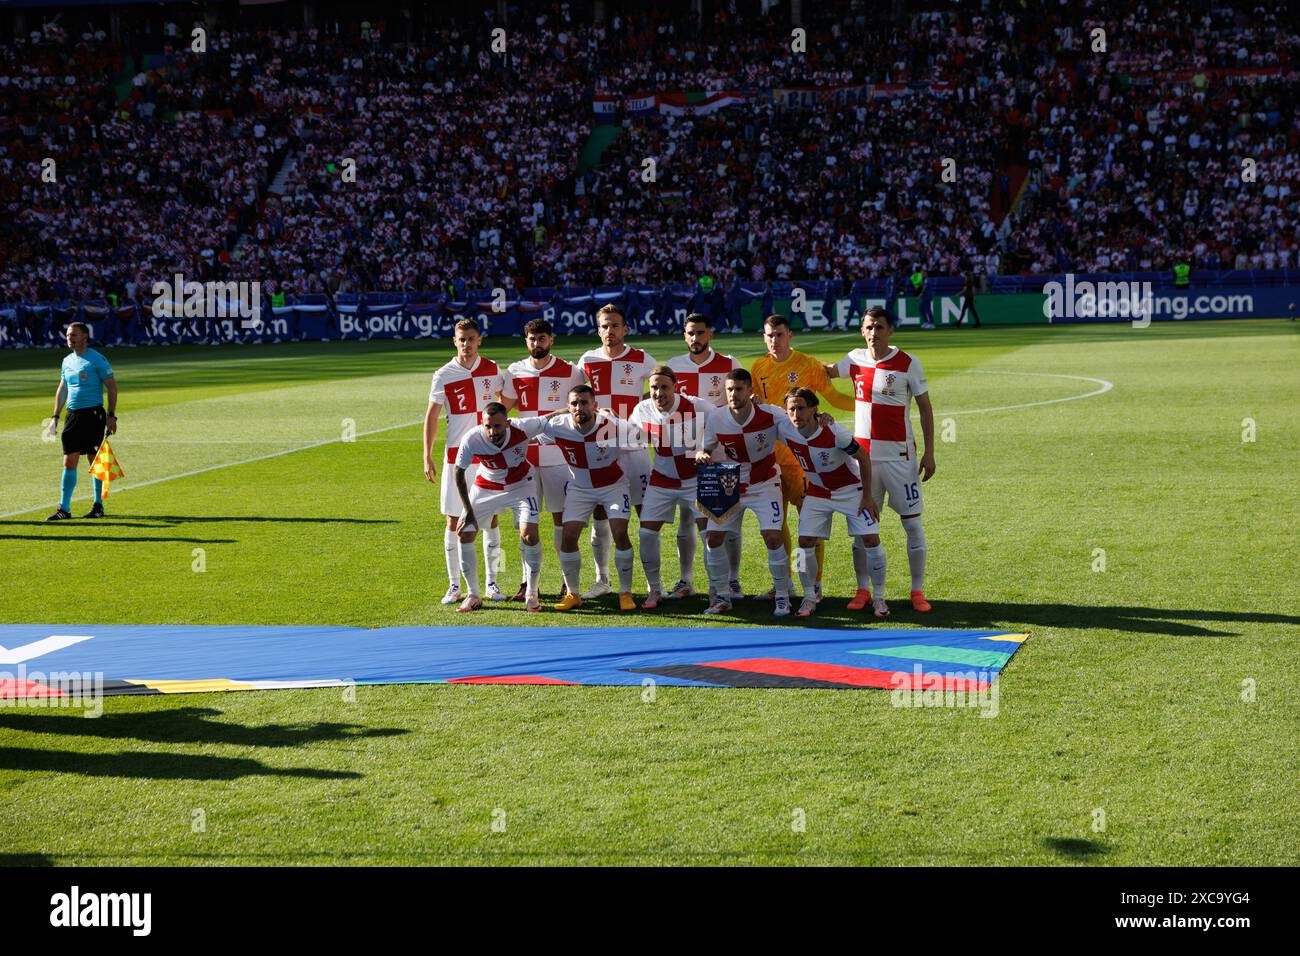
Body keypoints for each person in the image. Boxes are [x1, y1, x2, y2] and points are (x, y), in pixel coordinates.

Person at [825, 306, 936, 615]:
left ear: (890, 331)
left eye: (879, 327)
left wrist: (929, 452)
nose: (873, 333)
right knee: (863, 529)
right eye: (869, 327)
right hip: (864, 461)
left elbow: (926, 408)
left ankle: (917, 589)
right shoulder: (854, 359)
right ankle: (863, 589)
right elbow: (826, 371)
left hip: (901, 458)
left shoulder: (907, 363)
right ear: (863, 330)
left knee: (912, 526)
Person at [749, 314, 856, 601]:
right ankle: (784, 584)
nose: (775, 340)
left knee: (809, 524)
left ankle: (815, 585)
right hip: (771, 458)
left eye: (780, 334)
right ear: (764, 337)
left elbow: (832, 397)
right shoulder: (758, 367)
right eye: (770, 335)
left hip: (803, 460)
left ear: (790, 336)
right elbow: (757, 410)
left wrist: (868, 402)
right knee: (775, 523)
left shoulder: (808, 364)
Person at [694, 369, 794, 618]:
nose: (733, 394)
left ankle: (782, 597)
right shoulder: (717, 418)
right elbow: (707, 446)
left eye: (739, 389)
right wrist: (702, 454)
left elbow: (798, 431)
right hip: (729, 480)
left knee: (772, 537)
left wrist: (822, 419)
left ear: (750, 391)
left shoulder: (772, 415)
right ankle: (722, 597)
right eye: (729, 389)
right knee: (713, 539)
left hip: (764, 482)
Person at [499, 318, 586, 600]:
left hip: (559, 456)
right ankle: (528, 583)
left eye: (542, 339)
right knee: (526, 524)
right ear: (526, 341)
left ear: (551, 340)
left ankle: (566, 581)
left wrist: (547, 423)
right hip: (524, 459)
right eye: (532, 339)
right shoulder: (514, 371)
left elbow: (577, 408)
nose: (537, 344)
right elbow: (504, 409)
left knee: (561, 520)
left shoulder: (571, 372)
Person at [775, 388, 881, 617]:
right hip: (818, 492)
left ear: (814, 409)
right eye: (791, 409)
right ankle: (809, 597)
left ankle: (880, 598)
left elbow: (862, 457)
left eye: (801, 408)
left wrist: (867, 496)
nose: (795, 414)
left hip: (850, 490)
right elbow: (762, 416)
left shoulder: (834, 432)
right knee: (805, 542)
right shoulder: (784, 428)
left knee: (871, 539)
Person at [423, 319, 505, 605]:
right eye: (461, 339)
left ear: (479, 340)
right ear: (454, 341)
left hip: (487, 456)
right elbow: (432, 415)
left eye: (471, 339)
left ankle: (492, 583)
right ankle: (454, 585)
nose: (466, 344)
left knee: (490, 518)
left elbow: (505, 405)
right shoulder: (443, 374)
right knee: (454, 520)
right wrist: (427, 455)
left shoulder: (493, 370)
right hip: (455, 457)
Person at [577, 303, 656, 598]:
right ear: (599, 330)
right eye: (605, 326)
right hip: (600, 447)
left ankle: (652, 584)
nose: (610, 331)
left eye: (615, 326)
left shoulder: (641, 358)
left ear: (625, 329)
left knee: (645, 515)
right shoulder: (587, 360)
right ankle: (602, 580)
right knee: (601, 513)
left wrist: (641, 404)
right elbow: (574, 397)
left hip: (634, 446)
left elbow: (664, 386)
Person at [663, 312, 740, 598]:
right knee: (686, 519)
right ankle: (686, 581)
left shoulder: (729, 364)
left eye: (700, 333)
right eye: (690, 333)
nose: (695, 338)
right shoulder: (672, 367)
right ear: (685, 336)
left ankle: (731, 580)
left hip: (719, 453)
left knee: (724, 519)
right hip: (682, 452)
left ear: (710, 335)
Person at [541, 384, 638, 611]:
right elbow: (528, 430)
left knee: (620, 532)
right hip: (580, 488)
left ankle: (625, 593)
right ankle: (573, 594)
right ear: (568, 407)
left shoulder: (613, 426)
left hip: (613, 486)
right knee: (568, 536)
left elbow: (643, 434)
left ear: (594, 405)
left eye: (584, 402)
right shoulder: (557, 426)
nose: (578, 407)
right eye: (574, 403)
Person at [628, 367, 712, 608]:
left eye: (664, 386)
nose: (658, 392)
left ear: (676, 386)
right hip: (662, 480)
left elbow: (722, 424)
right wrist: (607, 418)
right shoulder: (642, 409)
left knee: (710, 535)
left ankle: (717, 590)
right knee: (646, 532)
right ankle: (655, 590)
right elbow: (628, 433)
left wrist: (704, 448)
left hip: (695, 480)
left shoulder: (698, 406)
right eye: (654, 387)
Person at [452, 403, 548, 612]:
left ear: (507, 422)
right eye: (488, 426)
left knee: (529, 535)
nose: (492, 431)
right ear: (482, 423)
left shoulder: (523, 427)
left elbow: (551, 417)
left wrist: (596, 412)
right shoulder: (472, 438)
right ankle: (473, 594)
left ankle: (532, 594)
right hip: (486, 487)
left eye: (497, 426)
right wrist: (468, 511)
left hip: (522, 485)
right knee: (465, 533)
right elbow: (458, 472)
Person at [46, 322, 117, 521]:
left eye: (74, 334)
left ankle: (98, 505)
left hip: (93, 415)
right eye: (68, 334)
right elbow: (63, 389)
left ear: (85, 337)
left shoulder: (97, 359)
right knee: (69, 461)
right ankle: (65, 509)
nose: (70, 337)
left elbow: (111, 387)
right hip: (73, 416)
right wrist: (55, 417)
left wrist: (111, 415)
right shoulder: (67, 361)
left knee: (95, 460)